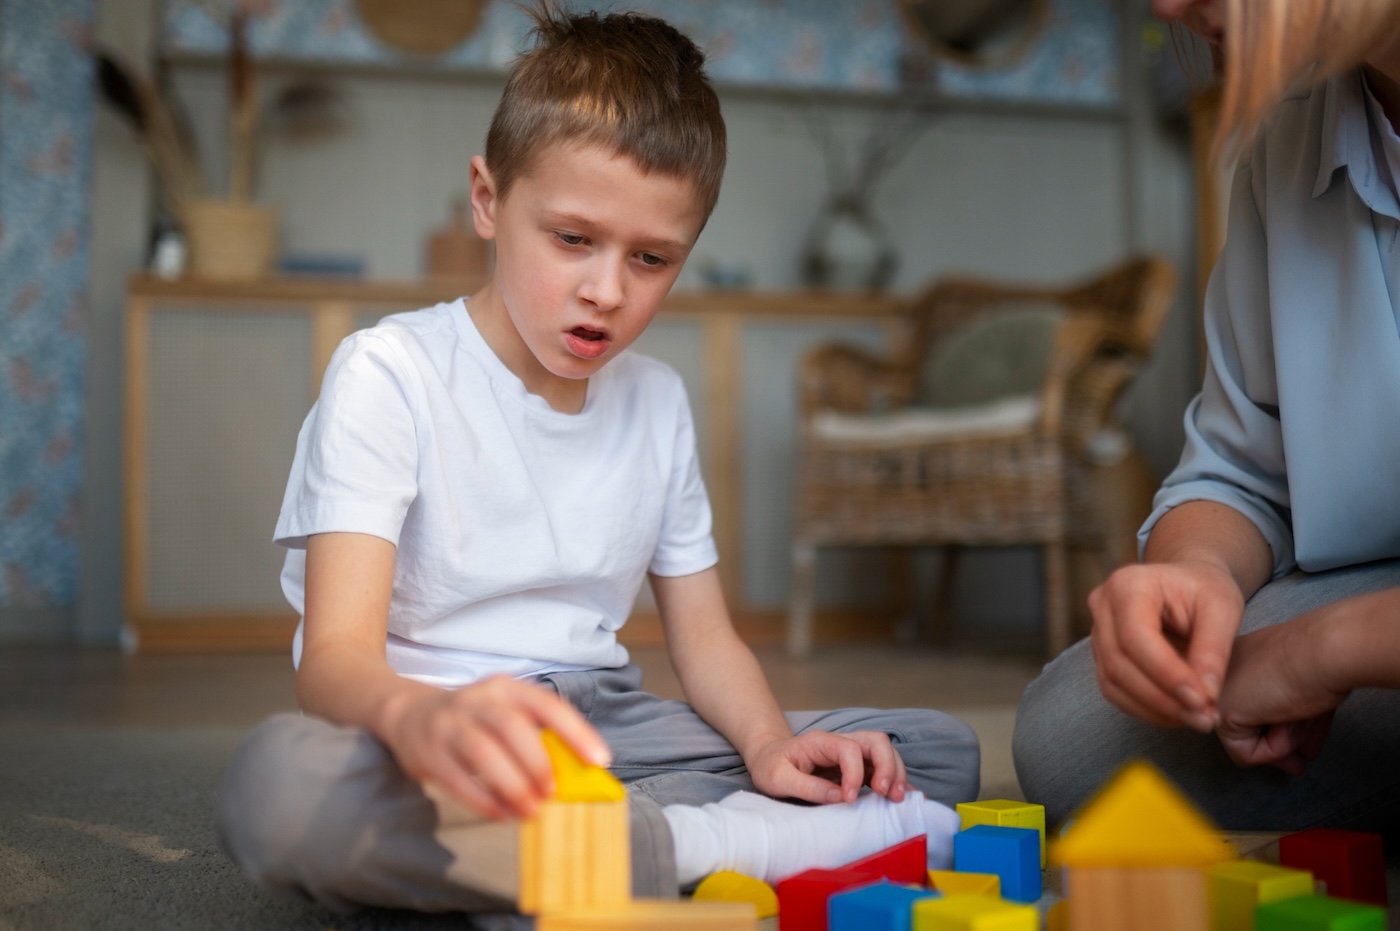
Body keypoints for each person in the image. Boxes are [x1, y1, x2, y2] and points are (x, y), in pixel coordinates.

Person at [216, 7, 979, 921]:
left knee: (930, 753)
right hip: (440, 731)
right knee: (277, 789)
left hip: (607, 732)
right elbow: (334, 660)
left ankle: (560, 861)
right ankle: (712, 843)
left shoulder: (656, 401)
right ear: (489, 199)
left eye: (652, 258)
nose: (607, 291)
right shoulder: (390, 373)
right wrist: (420, 720)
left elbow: (704, 639)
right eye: (573, 238)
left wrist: (772, 745)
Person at [1013, 0, 1400, 834]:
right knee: (1074, 737)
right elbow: (1241, 468)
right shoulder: (1287, 142)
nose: (1164, 8)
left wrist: (1322, 650)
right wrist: (1198, 570)